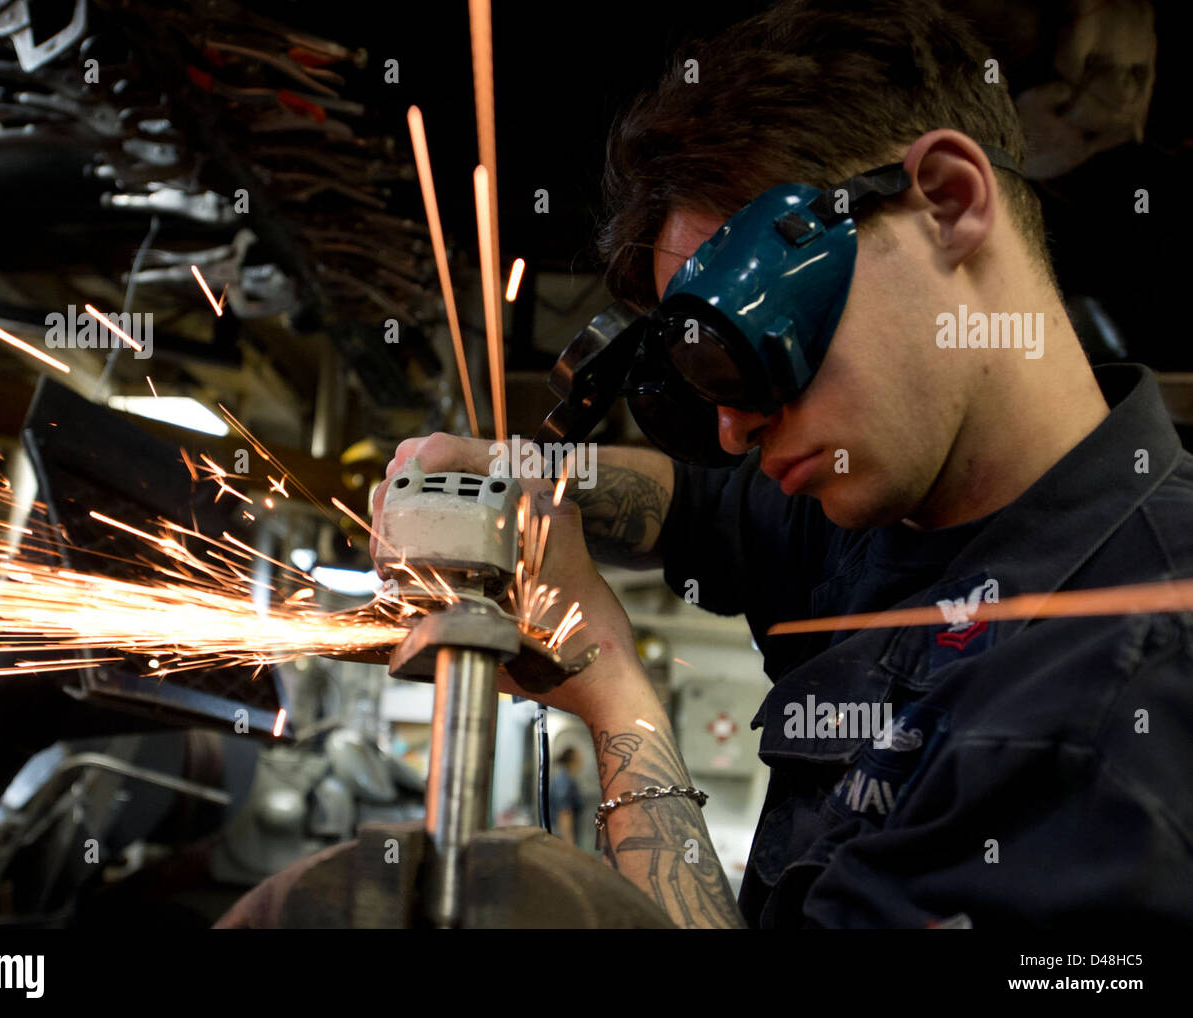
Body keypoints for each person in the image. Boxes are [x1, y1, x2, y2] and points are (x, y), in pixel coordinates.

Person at [380, 0, 1193, 929]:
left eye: (753, 348)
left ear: (950, 204)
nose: (734, 431)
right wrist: (502, 478)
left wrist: (615, 694)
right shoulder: (898, 506)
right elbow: (700, 509)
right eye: (704, 381)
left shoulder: (1115, 702)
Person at [549, 746, 586, 844]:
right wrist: (569, 844)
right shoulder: (564, 782)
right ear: (573, 760)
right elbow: (564, 813)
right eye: (579, 758)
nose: (582, 761)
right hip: (562, 837)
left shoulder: (568, 780)